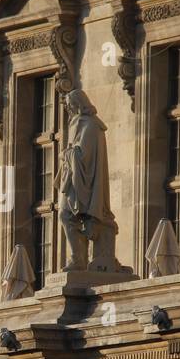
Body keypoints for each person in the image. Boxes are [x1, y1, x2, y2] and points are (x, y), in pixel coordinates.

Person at [57, 88, 119, 271]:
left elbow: (83, 155)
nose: (69, 110)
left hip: (85, 183)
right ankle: (78, 259)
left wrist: (65, 154)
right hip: (76, 180)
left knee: (66, 215)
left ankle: (78, 260)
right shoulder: (79, 123)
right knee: (67, 216)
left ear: (78, 104)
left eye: (70, 106)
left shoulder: (90, 125)